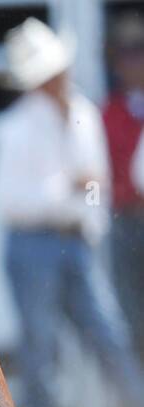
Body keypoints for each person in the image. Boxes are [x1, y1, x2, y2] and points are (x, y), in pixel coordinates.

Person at [0, 18, 144, 407]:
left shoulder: (81, 116)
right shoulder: (15, 129)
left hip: (73, 243)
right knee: (42, 349)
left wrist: (78, 204)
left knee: (108, 336)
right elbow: (11, 202)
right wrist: (69, 191)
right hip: (34, 244)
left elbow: (95, 184)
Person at [102, 14, 144, 362]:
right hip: (128, 219)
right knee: (131, 310)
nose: (134, 63)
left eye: (139, 53)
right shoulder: (108, 114)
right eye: (127, 55)